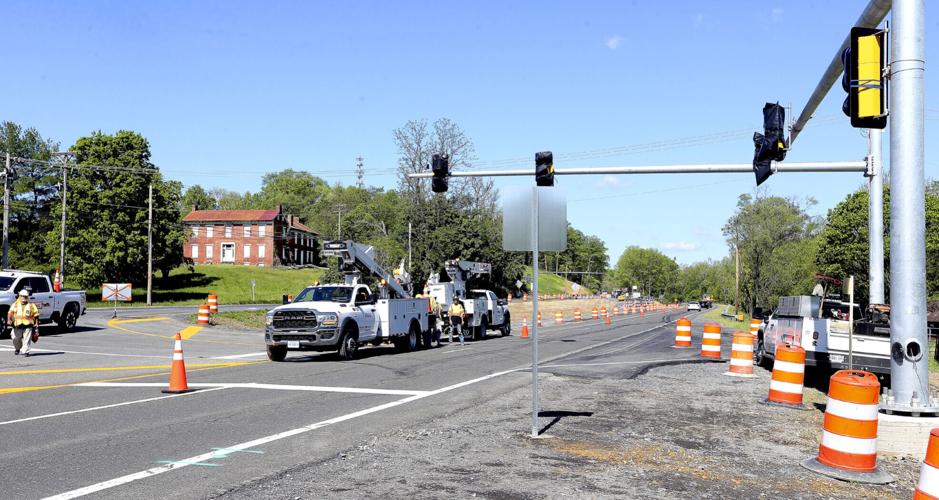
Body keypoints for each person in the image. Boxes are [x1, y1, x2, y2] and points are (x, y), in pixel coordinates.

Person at [8, 289, 39, 357]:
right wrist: (9, 320)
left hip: (28, 325)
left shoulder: (31, 305)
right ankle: (18, 348)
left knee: (27, 339)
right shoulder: (15, 304)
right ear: (19, 296)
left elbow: (36, 315)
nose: (24, 297)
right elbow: (10, 313)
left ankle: (26, 351)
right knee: (15, 338)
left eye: (25, 296)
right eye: (22, 296)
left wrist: (36, 324)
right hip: (17, 325)